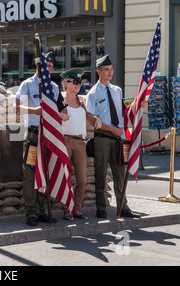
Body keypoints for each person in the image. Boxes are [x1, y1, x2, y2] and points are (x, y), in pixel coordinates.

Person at [15, 52, 67, 226]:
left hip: (49, 134)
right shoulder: (27, 84)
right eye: (47, 65)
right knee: (30, 172)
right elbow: (17, 107)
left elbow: (61, 110)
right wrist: (33, 110)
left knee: (46, 170)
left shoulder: (53, 87)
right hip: (33, 133)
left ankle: (42, 209)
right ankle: (30, 212)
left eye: (52, 66)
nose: (49, 69)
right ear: (38, 66)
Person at [86, 55, 141, 219]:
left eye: (111, 69)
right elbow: (90, 119)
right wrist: (110, 129)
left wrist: (138, 105)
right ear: (99, 72)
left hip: (118, 139)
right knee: (101, 174)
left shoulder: (117, 90)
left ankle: (123, 207)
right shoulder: (93, 93)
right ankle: (101, 208)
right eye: (106, 70)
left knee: (120, 174)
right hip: (102, 138)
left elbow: (122, 113)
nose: (110, 73)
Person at [59, 68, 102, 221]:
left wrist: (96, 119)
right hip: (65, 140)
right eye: (75, 82)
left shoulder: (81, 101)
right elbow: (51, 119)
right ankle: (66, 210)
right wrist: (59, 115)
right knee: (66, 178)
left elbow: (88, 118)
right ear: (67, 83)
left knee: (82, 180)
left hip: (80, 142)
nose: (78, 85)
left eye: (79, 82)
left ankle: (76, 209)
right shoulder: (60, 100)